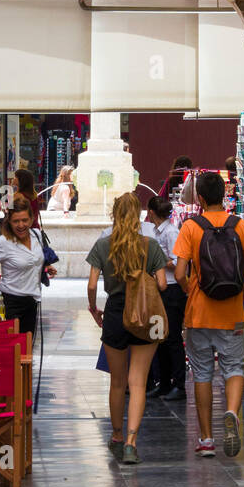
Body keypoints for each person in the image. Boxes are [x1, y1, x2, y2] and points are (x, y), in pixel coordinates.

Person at [173, 169, 244, 458]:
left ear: (199, 198)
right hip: (232, 312)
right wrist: (243, 292)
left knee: (202, 373)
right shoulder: (241, 226)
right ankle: (232, 412)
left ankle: (207, 439)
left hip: (198, 314)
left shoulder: (191, 227)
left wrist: (190, 290)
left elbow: (179, 272)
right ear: (224, 195)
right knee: (235, 367)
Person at [86, 192, 167, 466]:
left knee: (117, 382)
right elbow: (164, 284)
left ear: (114, 215)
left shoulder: (103, 245)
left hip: (114, 312)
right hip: (144, 314)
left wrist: (93, 308)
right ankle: (133, 442)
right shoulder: (151, 245)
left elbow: (92, 285)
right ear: (138, 216)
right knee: (138, 382)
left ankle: (118, 436)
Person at [0, 195, 55, 337]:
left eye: (24, 220)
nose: (21, 225)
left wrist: (44, 267)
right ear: (9, 221)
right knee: (16, 350)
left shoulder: (37, 235)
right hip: (13, 303)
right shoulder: (3, 243)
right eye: (16, 221)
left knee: (27, 349)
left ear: (32, 219)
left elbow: (33, 258)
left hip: (33, 301)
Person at [144, 196, 187, 402]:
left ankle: (179, 384)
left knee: (172, 338)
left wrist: (159, 261)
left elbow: (179, 262)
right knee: (159, 336)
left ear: (151, 212)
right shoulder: (154, 232)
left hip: (171, 290)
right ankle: (163, 382)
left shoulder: (171, 232)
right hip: (158, 289)